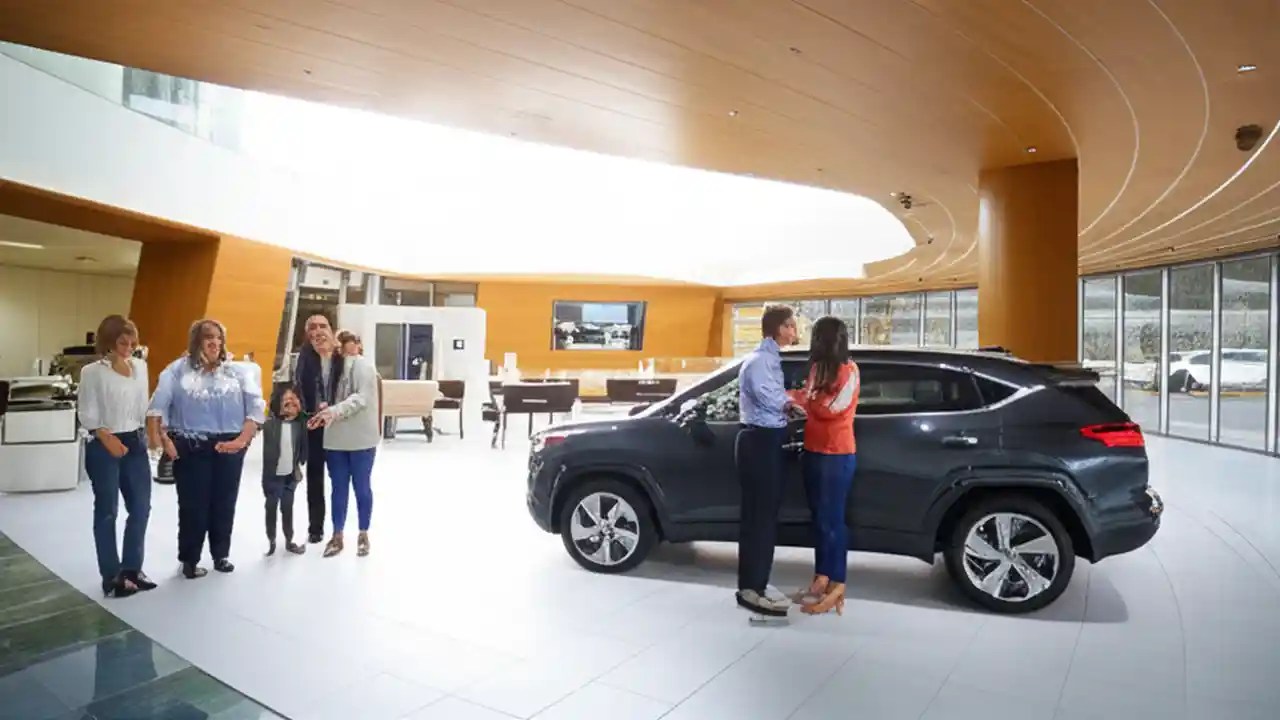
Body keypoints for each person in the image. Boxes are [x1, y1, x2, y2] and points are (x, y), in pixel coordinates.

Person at [148, 319, 264, 578]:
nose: (214, 342)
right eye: (208, 337)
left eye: (218, 338)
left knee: (224, 502)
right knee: (193, 505)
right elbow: (158, 407)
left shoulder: (237, 372)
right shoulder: (176, 371)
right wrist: (165, 440)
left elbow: (256, 408)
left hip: (230, 445)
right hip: (191, 445)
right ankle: (189, 560)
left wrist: (241, 441)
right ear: (196, 341)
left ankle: (221, 555)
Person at [78, 315, 156, 598]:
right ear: (109, 341)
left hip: (135, 441)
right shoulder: (92, 372)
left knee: (141, 507)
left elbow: (143, 406)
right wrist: (105, 436)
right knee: (107, 510)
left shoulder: (140, 367)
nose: (129, 348)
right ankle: (111, 576)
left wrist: (151, 435)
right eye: (123, 342)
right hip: (104, 442)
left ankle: (132, 569)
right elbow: (86, 411)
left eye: (133, 343)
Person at [788, 316, 859, 616]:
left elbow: (830, 408)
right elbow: (808, 398)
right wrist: (803, 399)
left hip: (836, 455)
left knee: (833, 522)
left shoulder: (849, 370)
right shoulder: (818, 369)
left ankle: (837, 585)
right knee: (819, 520)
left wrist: (805, 401)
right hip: (813, 450)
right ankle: (821, 579)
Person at [735, 304, 803, 617]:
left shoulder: (770, 358)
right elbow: (769, 397)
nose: (793, 331)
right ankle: (751, 589)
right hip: (760, 441)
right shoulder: (760, 361)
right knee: (759, 520)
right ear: (776, 328)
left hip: (768, 440)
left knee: (764, 518)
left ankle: (756, 585)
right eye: (789, 325)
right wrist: (794, 406)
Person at [309, 335, 381, 558]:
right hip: (335, 439)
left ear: (359, 345)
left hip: (362, 439)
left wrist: (334, 411)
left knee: (362, 486)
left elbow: (361, 398)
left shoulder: (365, 366)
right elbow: (323, 393)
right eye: (342, 340)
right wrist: (322, 407)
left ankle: (363, 533)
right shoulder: (329, 367)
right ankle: (337, 534)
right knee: (338, 488)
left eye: (351, 340)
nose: (346, 344)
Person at [293, 314, 342, 544]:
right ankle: (316, 527)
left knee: (339, 478)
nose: (318, 331)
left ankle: (339, 527)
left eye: (323, 326)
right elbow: (299, 389)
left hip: (339, 424)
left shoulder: (341, 356)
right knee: (315, 478)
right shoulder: (304, 358)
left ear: (331, 330)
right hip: (314, 425)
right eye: (312, 327)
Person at [261, 384, 308, 556]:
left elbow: (303, 446)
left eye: (294, 401)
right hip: (273, 477)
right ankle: (271, 540)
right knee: (271, 508)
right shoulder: (270, 424)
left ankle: (289, 539)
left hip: (290, 476)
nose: (291, 405)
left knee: (288, 509)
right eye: (286, 402)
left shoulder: (300, 425)